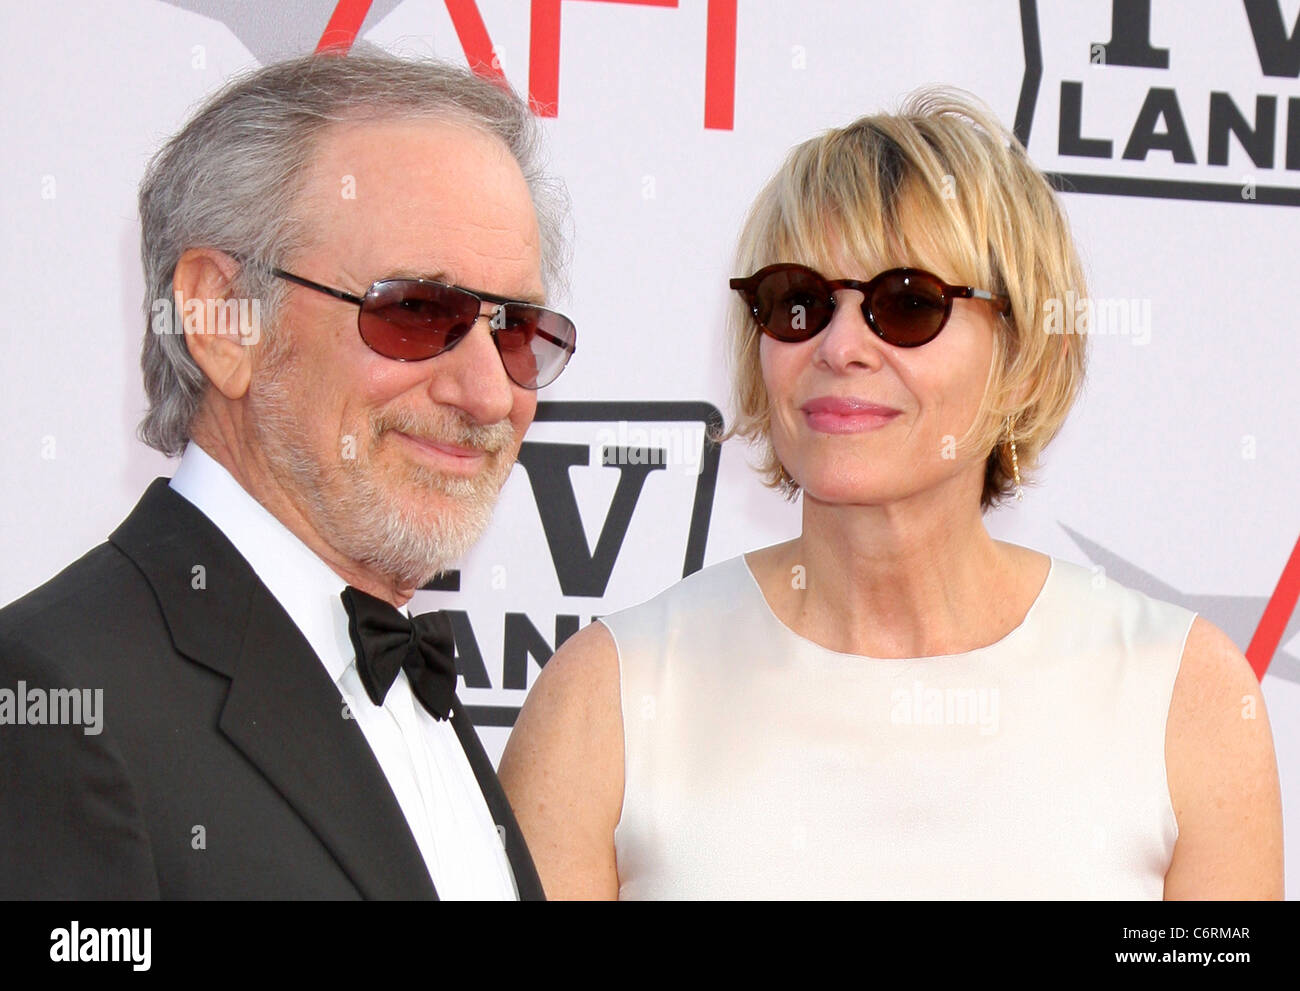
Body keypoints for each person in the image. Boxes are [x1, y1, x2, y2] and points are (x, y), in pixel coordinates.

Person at [498, 89, 1283, 899]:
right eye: (799, 303)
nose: (841, 347)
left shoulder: (1184, 696)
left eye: (907, 304)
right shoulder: (608, 699)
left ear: (1022, 352)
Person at [0, 49, 576, 899]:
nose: (489, 393)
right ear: (222, 319)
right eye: (417, 310)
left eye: (516, 328)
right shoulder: (57, 700)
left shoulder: (416, 695)